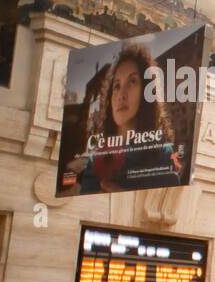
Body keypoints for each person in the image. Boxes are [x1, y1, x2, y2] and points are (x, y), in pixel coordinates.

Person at [62, 42, 184, 195]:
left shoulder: (161, 153)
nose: (121, 95)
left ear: (147, 92)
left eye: (132, 81)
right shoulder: (97, 157)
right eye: (117, 86)